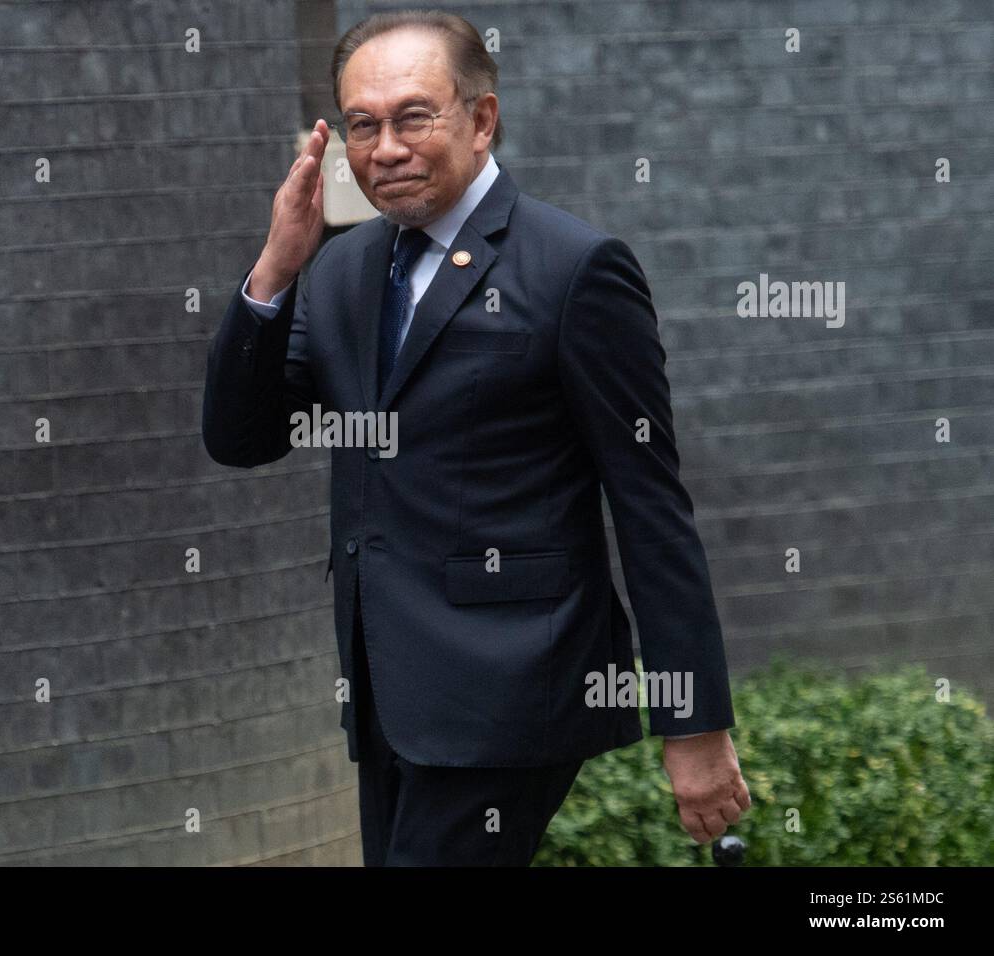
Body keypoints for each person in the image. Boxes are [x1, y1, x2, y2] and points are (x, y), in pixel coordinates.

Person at [202, 9, 750, 866]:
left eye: (414, 116)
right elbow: (241, 437)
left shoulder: (575, 269)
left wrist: (696, 725)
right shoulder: (340, 270)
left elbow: (651, 509)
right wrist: (275, 269)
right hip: (385, 692)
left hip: (510, 691)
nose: (385, 147)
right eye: (363, 124)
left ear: (482, 119)